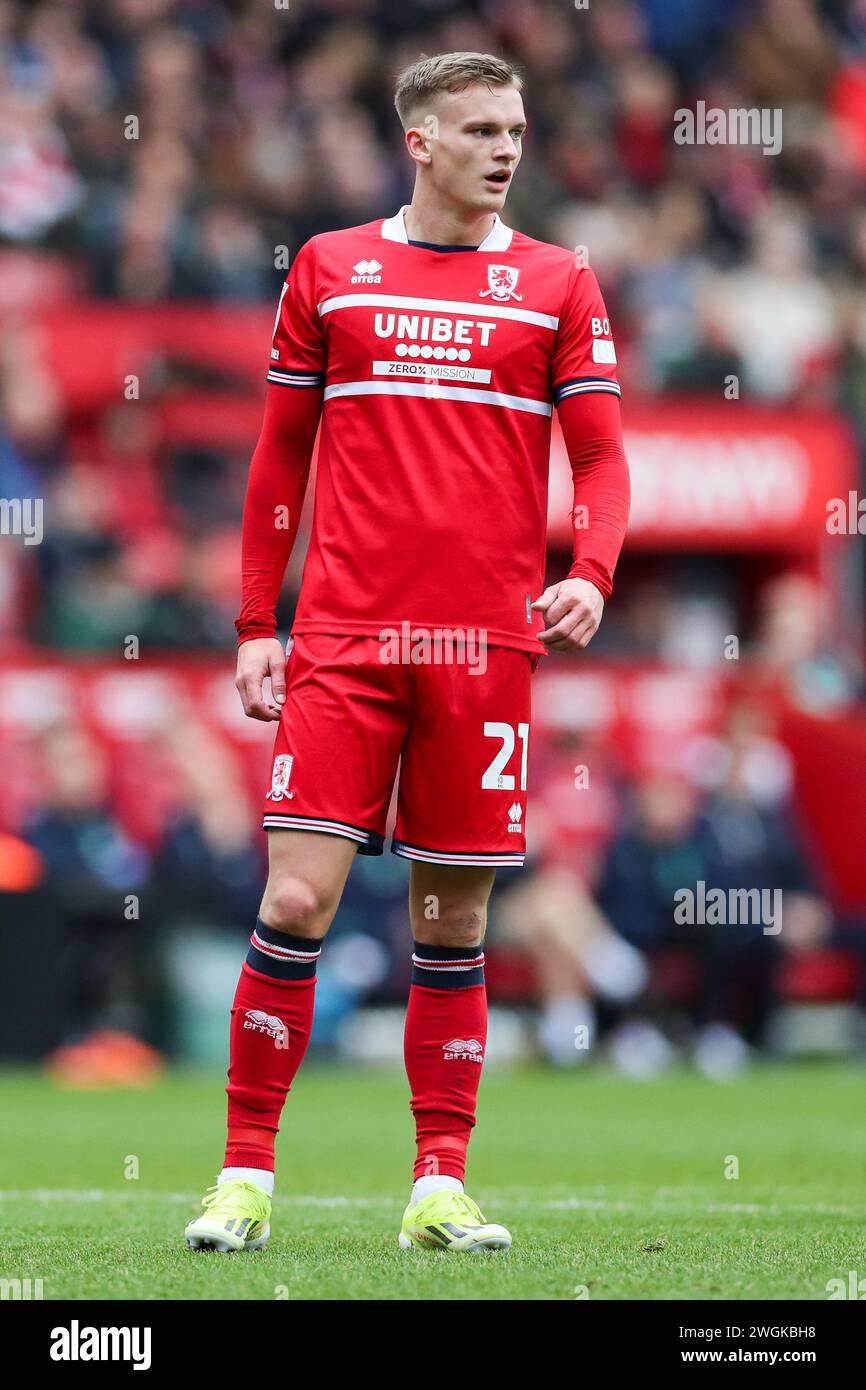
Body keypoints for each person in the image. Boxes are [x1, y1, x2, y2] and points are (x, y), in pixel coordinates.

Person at [185, 51, 630, 1256]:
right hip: (340, 637)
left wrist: (586, 573)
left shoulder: (558, 280)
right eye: (480, 128)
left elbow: (597, 460)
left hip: (483, 646)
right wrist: (253, 623)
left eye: (518, 130)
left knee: (451, 924)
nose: (505, 149)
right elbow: (277, 461)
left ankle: (439, 1183)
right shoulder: (331, 269)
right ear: (419, 140)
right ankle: (243, 1178)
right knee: (293, 896)